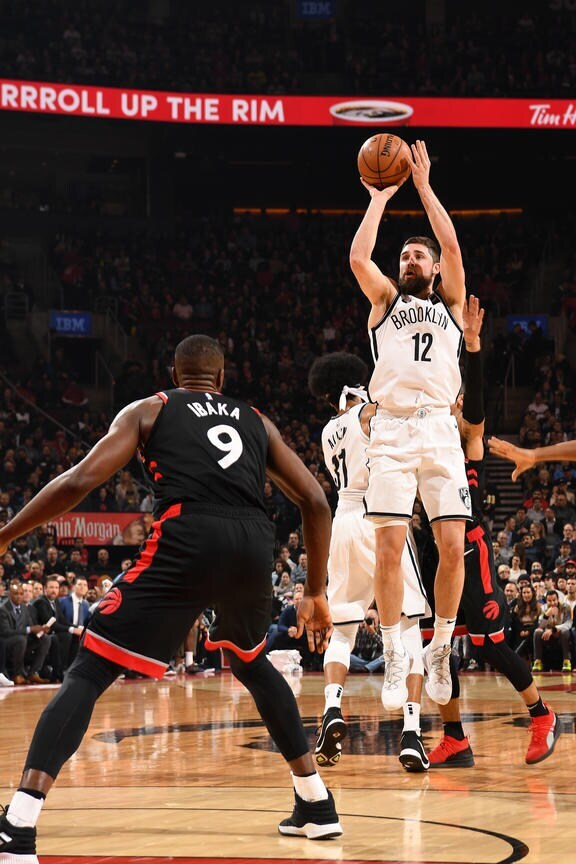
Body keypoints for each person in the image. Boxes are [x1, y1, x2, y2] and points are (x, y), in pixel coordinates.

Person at [0, 335, 342, 860]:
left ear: (173, 375)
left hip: (188, 533)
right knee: (251, 663)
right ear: (222, 379)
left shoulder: (151, 409)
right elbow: (316, 501)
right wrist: (315, 591)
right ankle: (316, 803)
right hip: (254, 542)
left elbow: (80, 481)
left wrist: (4, 536)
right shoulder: (255, 419)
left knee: (89, 671)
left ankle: (18, 824)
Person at [349, 139, 471, 709]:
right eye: (405, 257)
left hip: (441, 432)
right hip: (393, 432)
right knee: (391, 549)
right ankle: (399, 649)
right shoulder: (385, 302)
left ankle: (441, 645)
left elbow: (449, 240)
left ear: (437, 268)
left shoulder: (449, 302)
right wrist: (379, 197)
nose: (410, 262)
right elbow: (357, 259)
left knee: (452, 546)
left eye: (418, 257)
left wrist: (422, 187)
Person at [427, 296, 561, 768]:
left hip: (468, 550)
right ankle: (455, 737)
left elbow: (477, 409)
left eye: (461, 402)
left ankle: (541, 714)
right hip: (429, 554)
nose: (460, 405)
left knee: (491, 643)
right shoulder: (419, 441)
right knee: (436, 649)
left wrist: (472, 346)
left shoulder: (468, 446)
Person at [308, 352, 430, 772]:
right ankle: (412, 733)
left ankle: (331, 709)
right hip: (380, 517)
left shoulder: (326, 431)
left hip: (342, 522)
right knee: (410, 627)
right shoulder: (369, 413)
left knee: (342, 631)